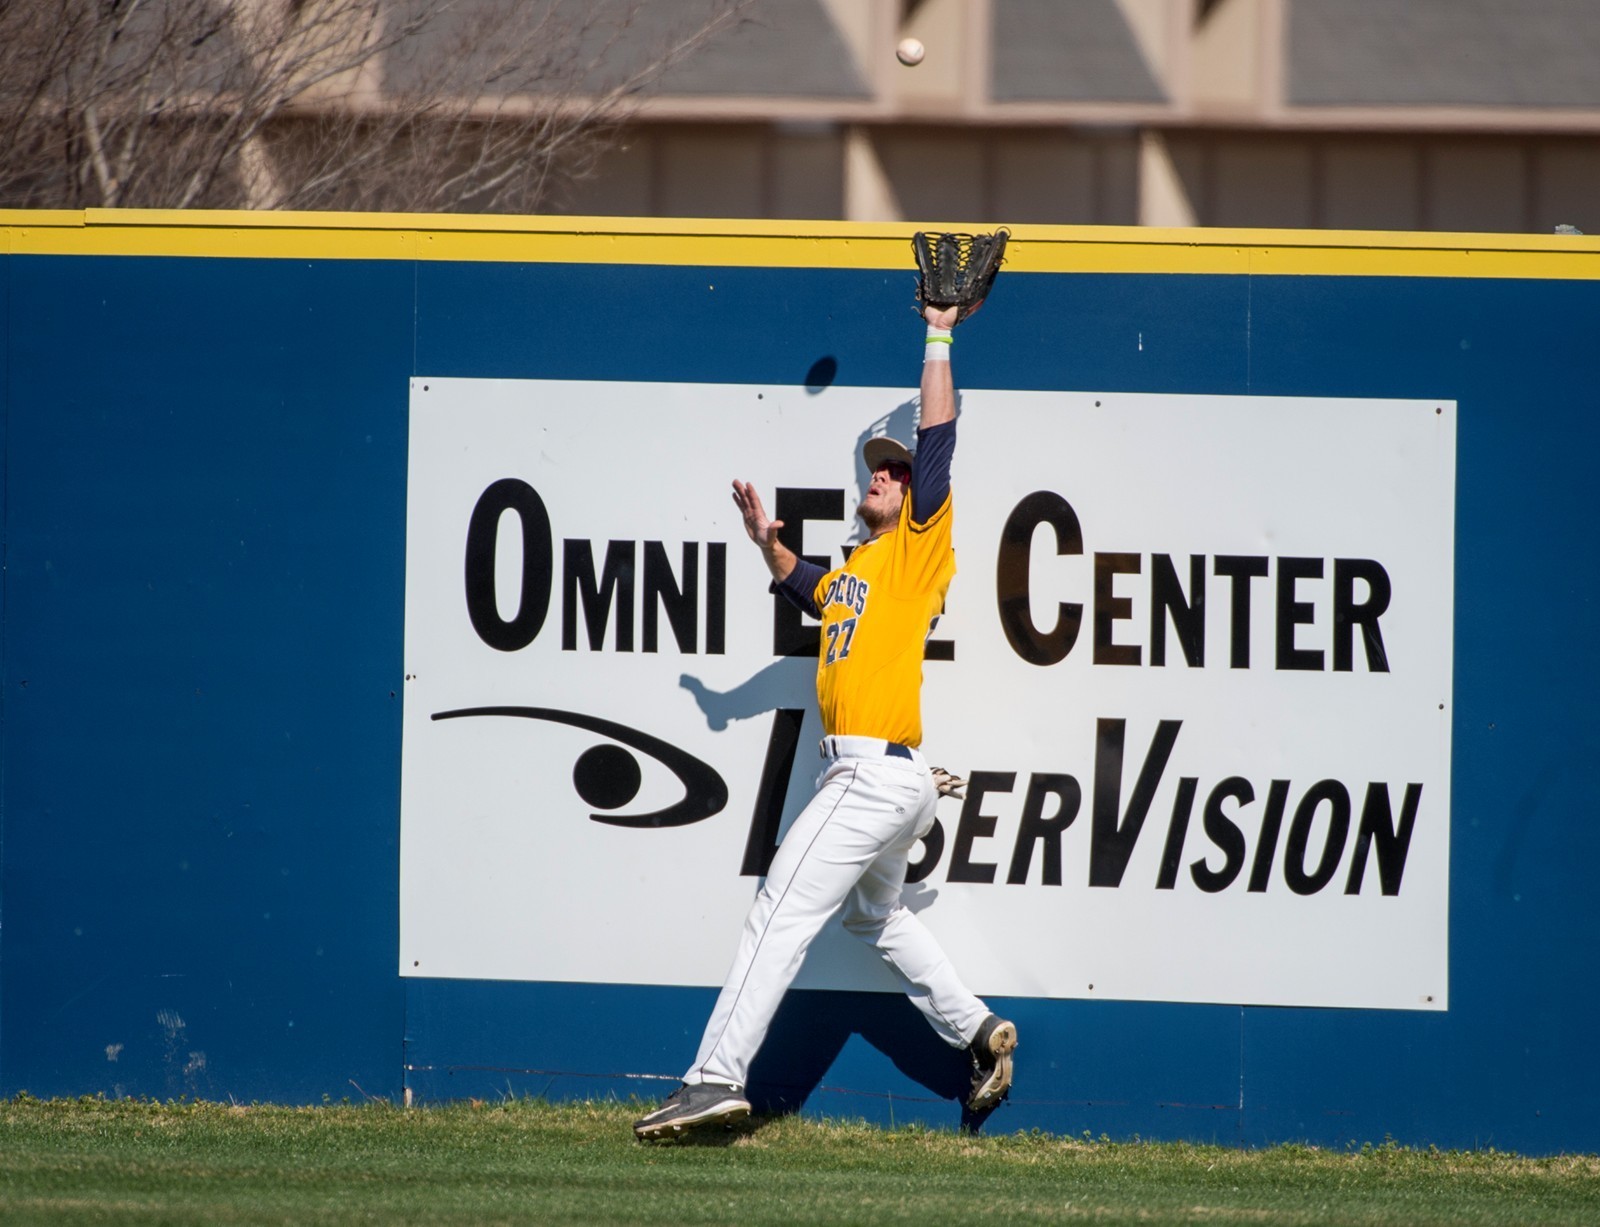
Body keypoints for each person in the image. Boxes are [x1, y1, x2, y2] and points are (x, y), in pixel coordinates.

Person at [633, 302, 1016, 1141]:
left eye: (893, 472)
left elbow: (939, 436)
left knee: (777, 909)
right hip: (898, 780)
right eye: (876, 471)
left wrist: (939, 332)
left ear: (916, 495)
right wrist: (764, 542)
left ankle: (712, 1078)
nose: (880, 476)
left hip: (871, 774)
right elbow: (808, 583)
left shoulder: (918, 548)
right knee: (874, 917)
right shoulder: (858, 573)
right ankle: (981, 1030)